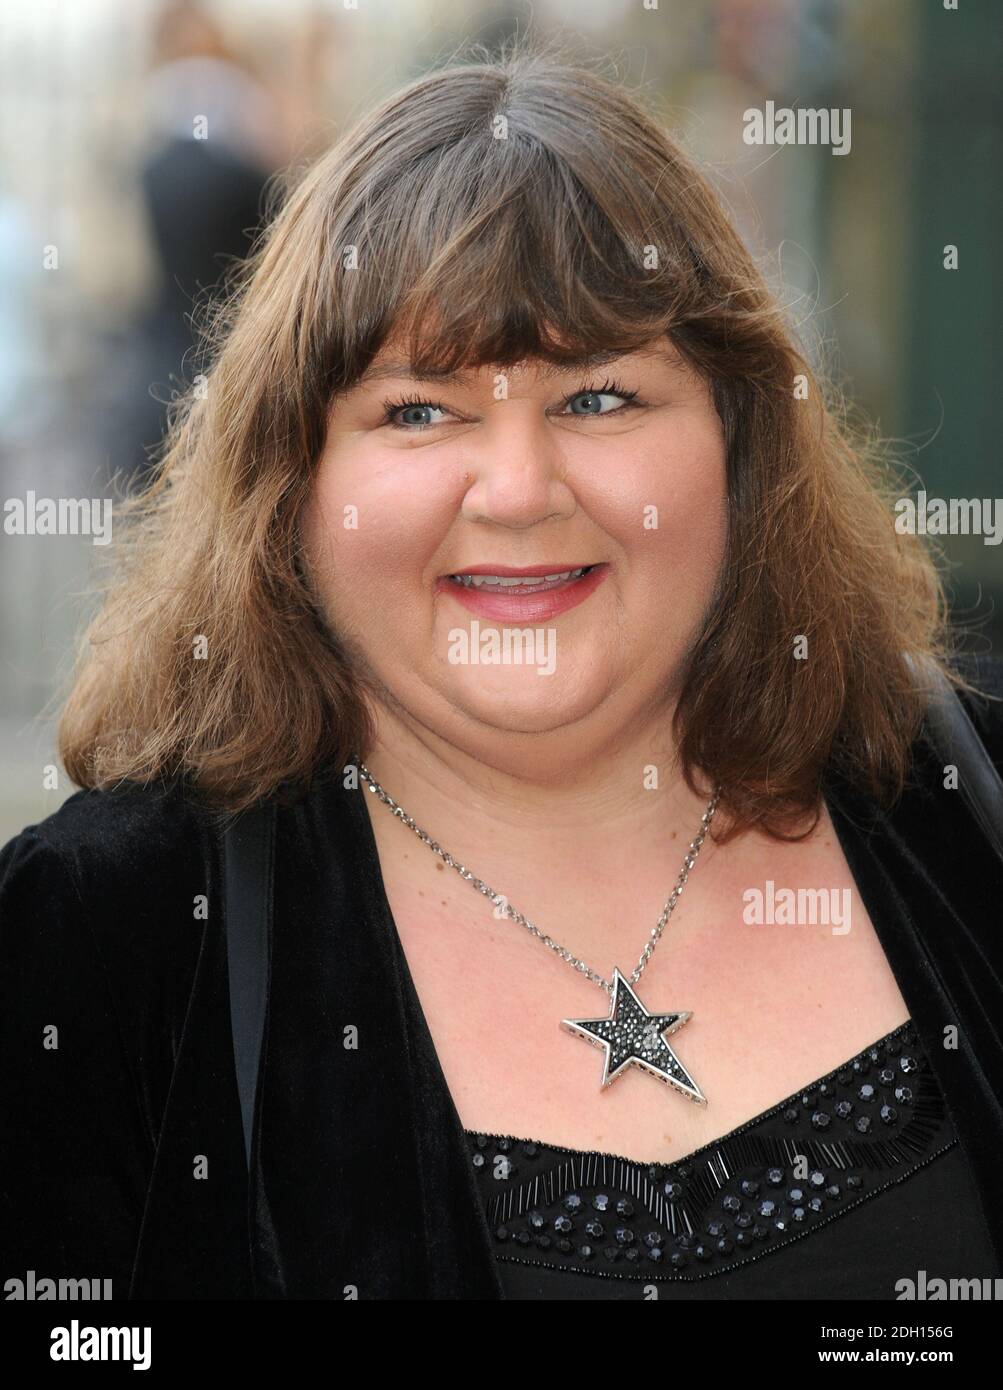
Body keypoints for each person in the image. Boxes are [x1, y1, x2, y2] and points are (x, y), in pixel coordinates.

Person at [2, 42, 1002, 1302]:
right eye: (418, 410)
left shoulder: (965, 806)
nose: (521, 492)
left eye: (598, 397)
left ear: (741, 444)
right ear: (292, 486)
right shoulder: (108, 940)